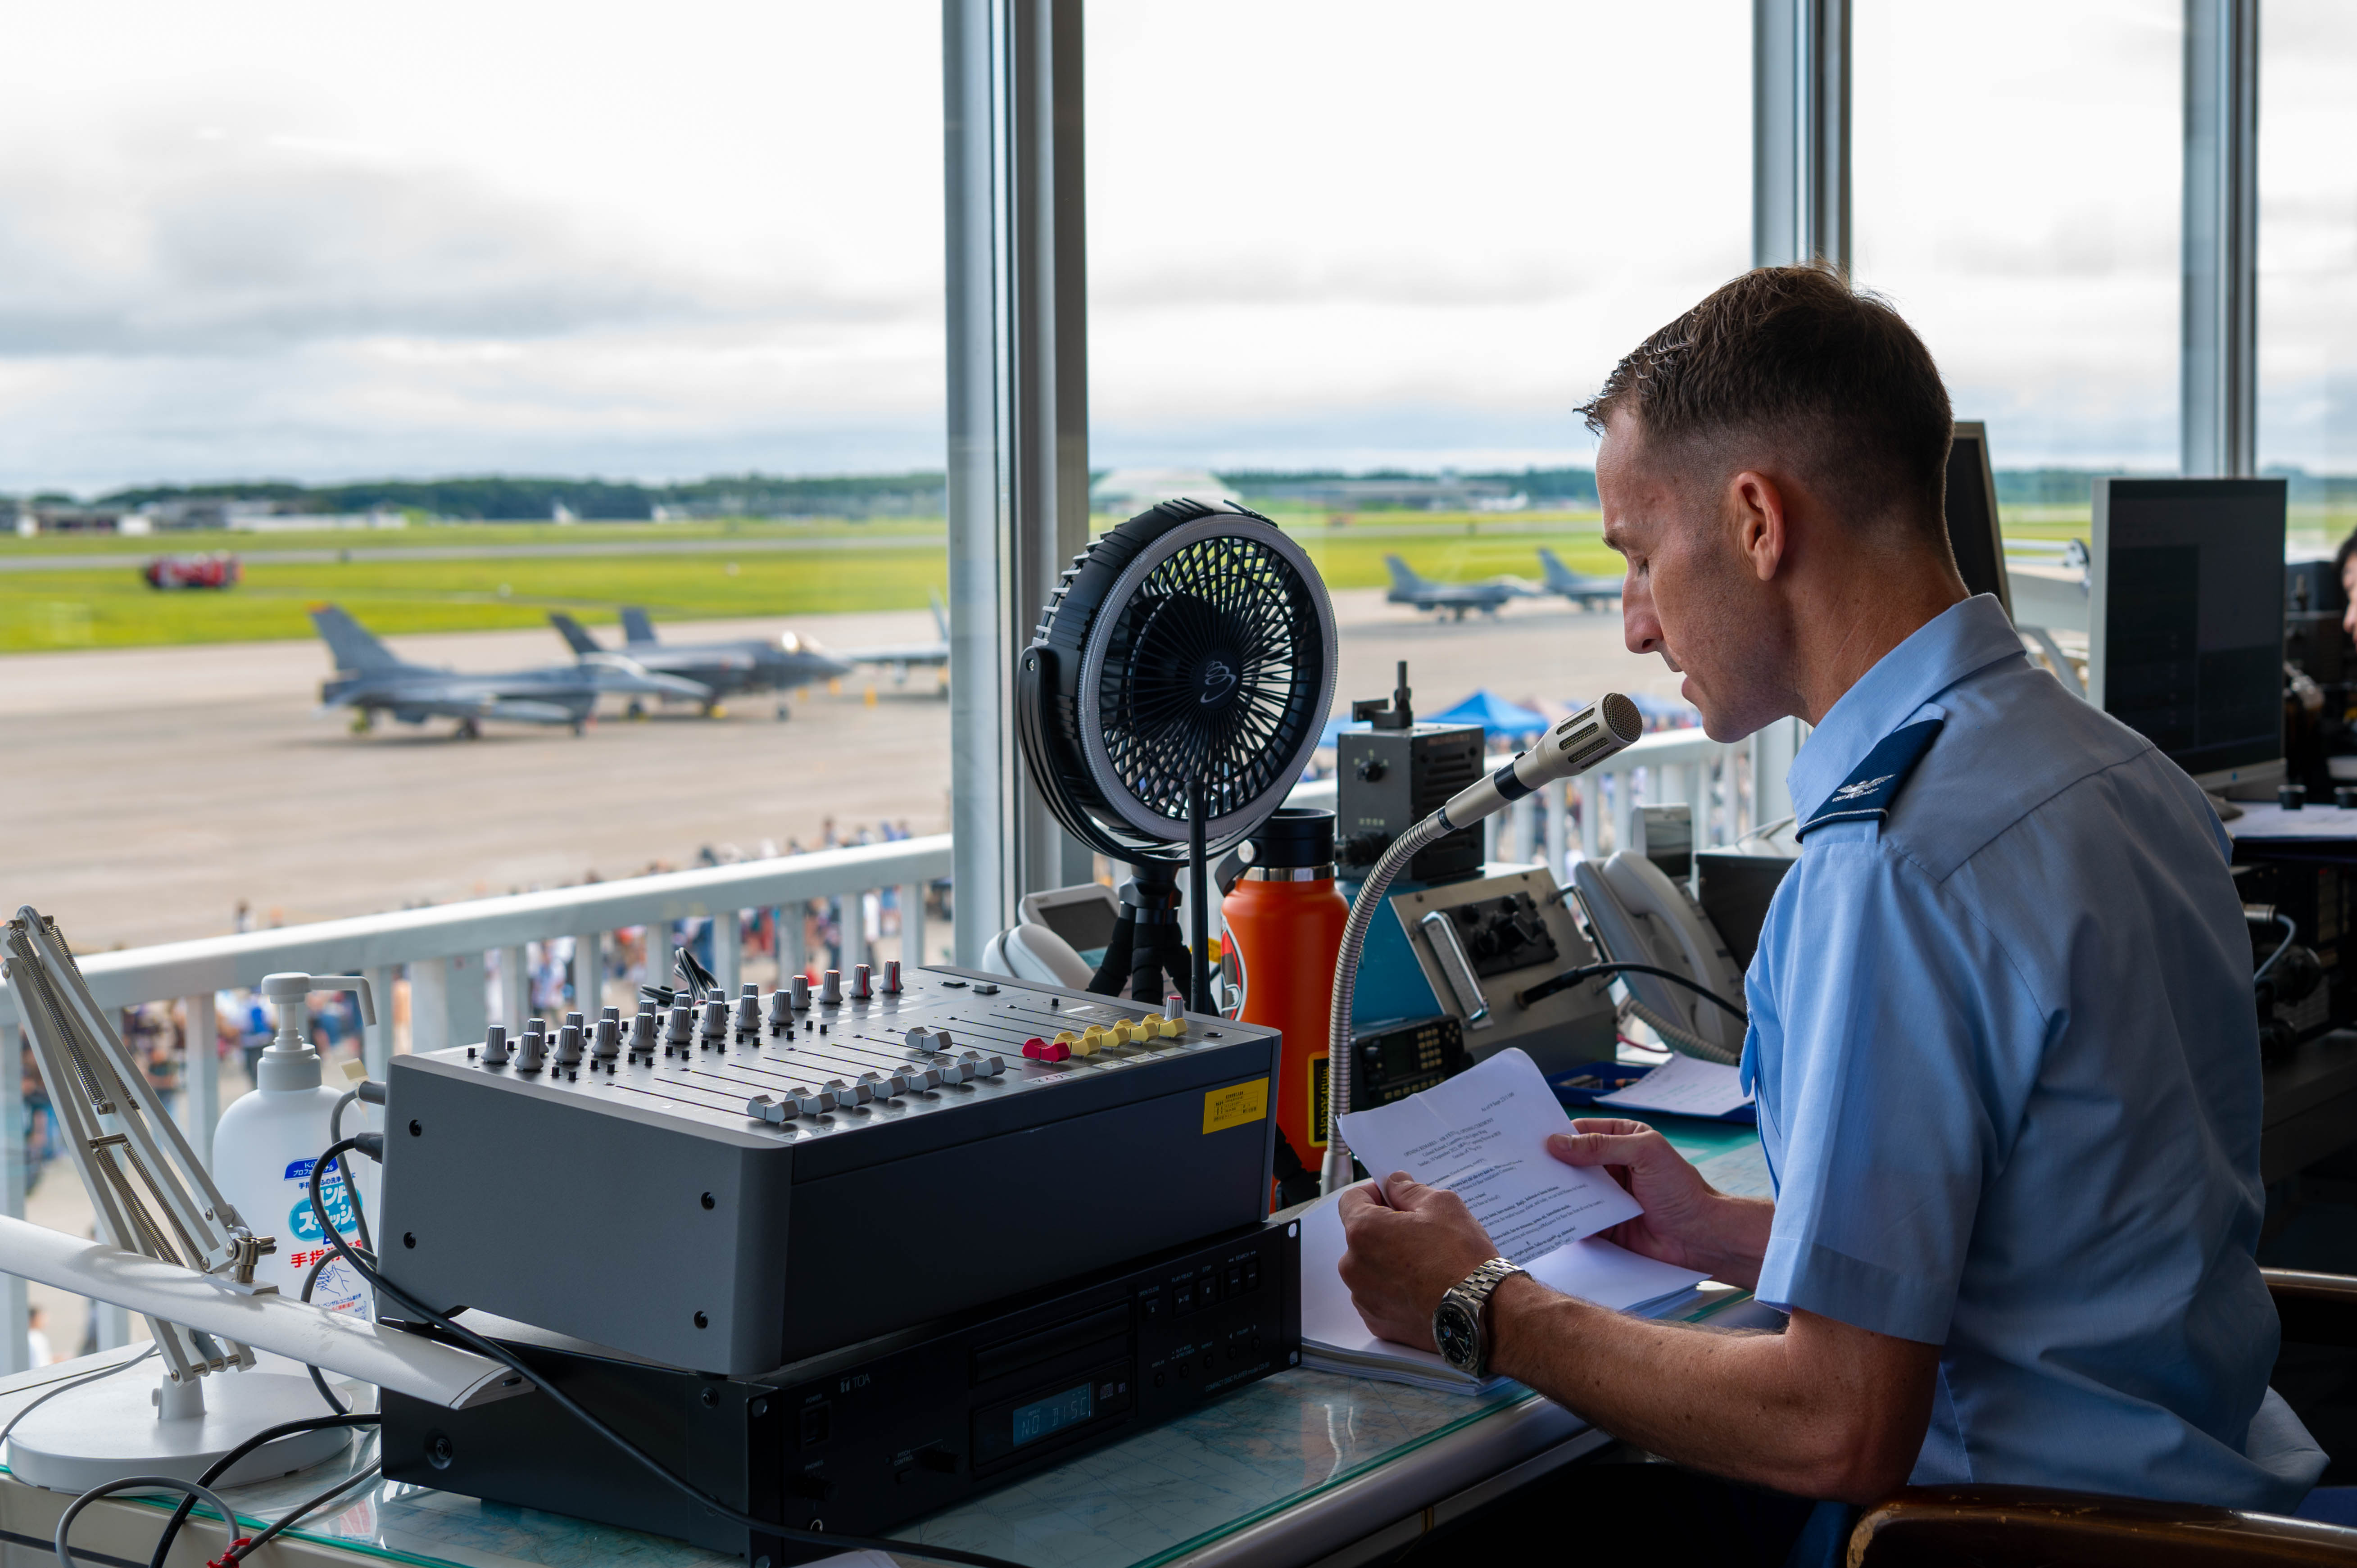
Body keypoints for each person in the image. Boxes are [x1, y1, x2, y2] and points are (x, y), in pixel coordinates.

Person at [1338, 265, 2325, 1560]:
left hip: (2013, 1532)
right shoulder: (2115, 770)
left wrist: (1481, 1302)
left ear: (1755, 520)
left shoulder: (1895, 869)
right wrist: (1732, 1234)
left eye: (1639, 555)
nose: (1634, 626)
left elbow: (1836, 1427)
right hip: (2206, 1497)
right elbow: (2053, 1254)